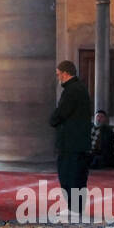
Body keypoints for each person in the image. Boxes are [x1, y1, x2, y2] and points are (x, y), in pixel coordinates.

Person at [48, 60, 92, 219]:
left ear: (66, 73)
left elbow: (61, 113)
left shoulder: (72, 90)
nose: (58, 77)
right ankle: (76, 208)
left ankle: (74, 209)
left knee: (69, 174)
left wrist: (52, 120)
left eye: (59, 74)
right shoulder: (79, 88)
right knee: (78, 175)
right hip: (78, 142)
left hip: (71, 143)